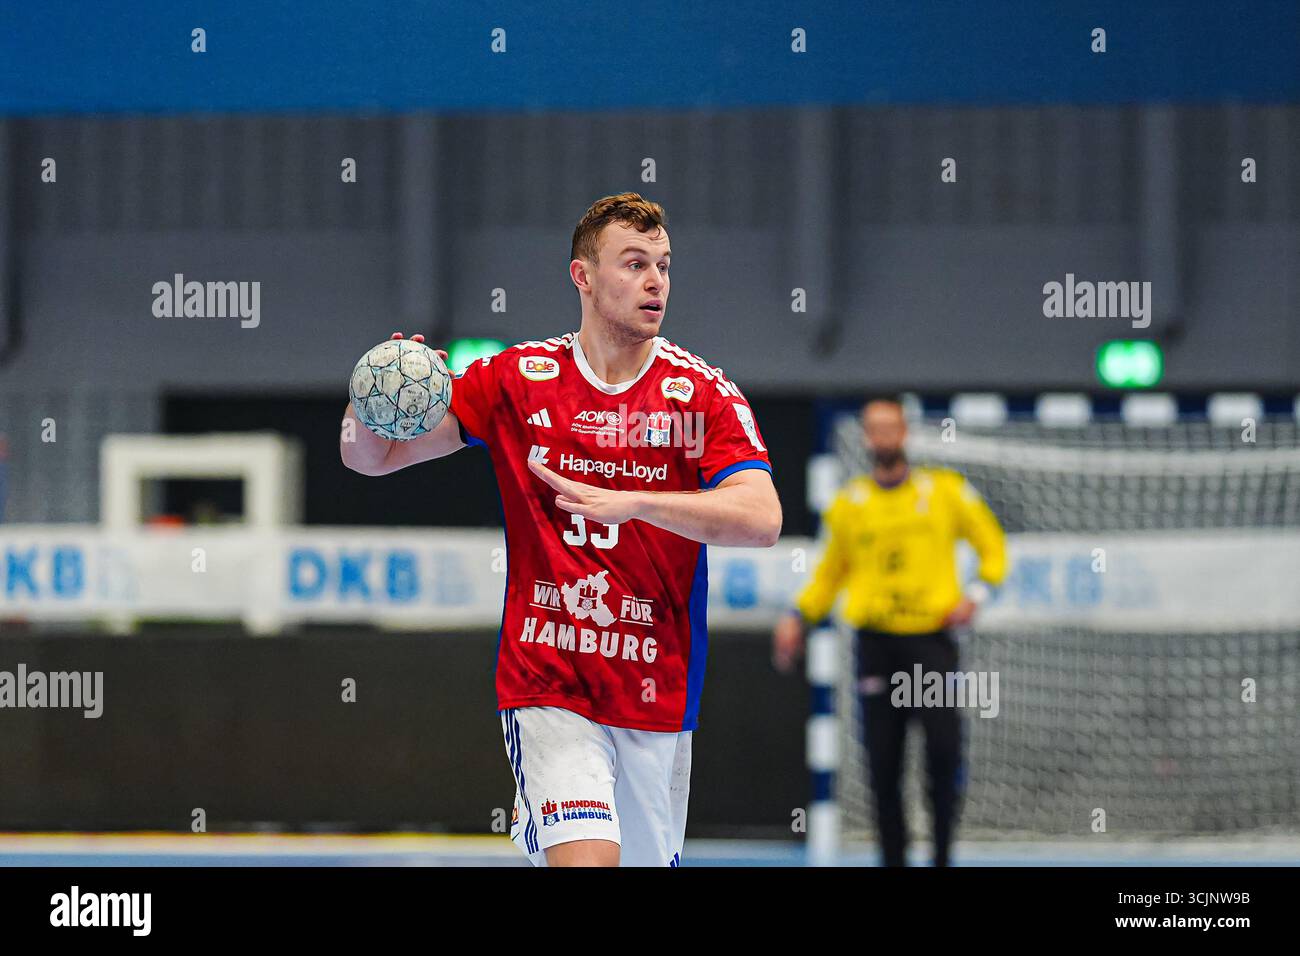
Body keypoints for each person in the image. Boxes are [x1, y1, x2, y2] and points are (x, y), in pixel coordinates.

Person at [341, 192, 782, 867]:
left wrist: (636, 500)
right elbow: (375, 459)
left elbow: (761, 519)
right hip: (549, 684)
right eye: (634, 264)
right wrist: (376, 403)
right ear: (582, 276)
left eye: (663, 265)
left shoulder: (702, 394)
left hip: (653, 694)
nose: (655, 281)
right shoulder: (518, 380)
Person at [772, 397, 1006, 866]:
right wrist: (798, 616)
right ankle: (893, 860)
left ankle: (942, 856)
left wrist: (975, 596)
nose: (882, 436)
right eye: (873, 428)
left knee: (943, 753)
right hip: (877, 646)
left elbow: (992, 546)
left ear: (904, 433)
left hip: (932, 643)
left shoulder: (944, 492)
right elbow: (829, 575)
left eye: (890, 427)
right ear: (865, 437)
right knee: (882, 764)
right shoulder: (850, 505)